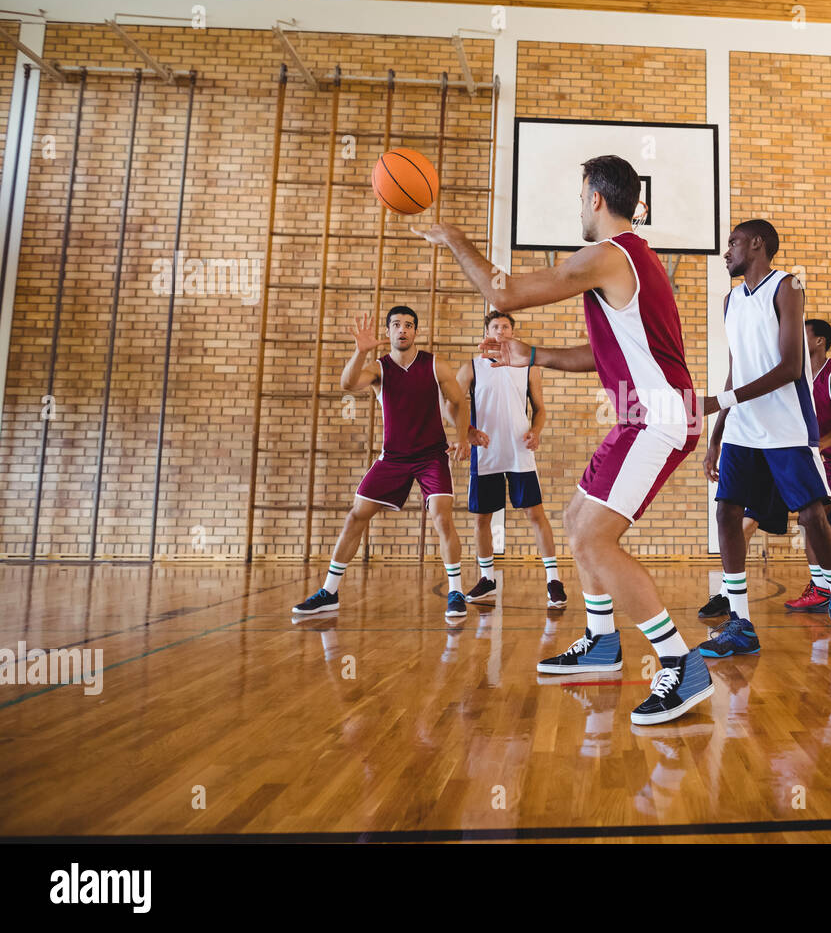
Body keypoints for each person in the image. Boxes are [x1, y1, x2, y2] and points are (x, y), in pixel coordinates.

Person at [413, 154, 712, 725]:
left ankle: (679, 661)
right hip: (641, 414)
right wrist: (536, 356)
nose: (579, 206)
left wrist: (453, 238)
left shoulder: (607, 254)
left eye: (581, 197)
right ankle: (601, 640)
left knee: (597, 539)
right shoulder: (631, 263)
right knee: (577, 520)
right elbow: (607, 357)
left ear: (597, 199)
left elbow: (503, 294)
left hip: (659, 417)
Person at [699, 219, 831, 657]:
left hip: (787, 426)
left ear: (757, 244)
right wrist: (717, 431)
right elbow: (737, 367)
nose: (727, 252)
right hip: (741, 428)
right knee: (726, 513)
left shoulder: (787, 286)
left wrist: (718, 402)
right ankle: (740, 621)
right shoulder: (729, 301)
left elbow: (791, 368)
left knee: (814, 516)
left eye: (734, 243)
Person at [292, 307, 484, 623]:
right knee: (356, 515)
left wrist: (463, 437)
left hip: (431, 456)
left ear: (415, 332)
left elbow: (458, 403)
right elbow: (347, 384)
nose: (402, 330)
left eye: (408, 325)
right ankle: (329, 592)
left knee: (441, 516)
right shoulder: (379, 369)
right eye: (396, 325)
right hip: (393, 457)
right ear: (389, 331)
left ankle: (454, 592)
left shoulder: (434, 364)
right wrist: (359, 352)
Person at [458, 310, 567, 610]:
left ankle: (553, 580)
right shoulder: (473, 366)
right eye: (495, 327)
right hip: (487, 450)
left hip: (519, 449)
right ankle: (487, 578)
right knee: (483, 518)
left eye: (506, 326)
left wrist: (537, 430)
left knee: (535, 515)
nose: (501, 331)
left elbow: (540, 408)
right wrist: (465, 431)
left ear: (512, 332)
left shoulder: (528, 366)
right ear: (487, 331)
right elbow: (450, 402)